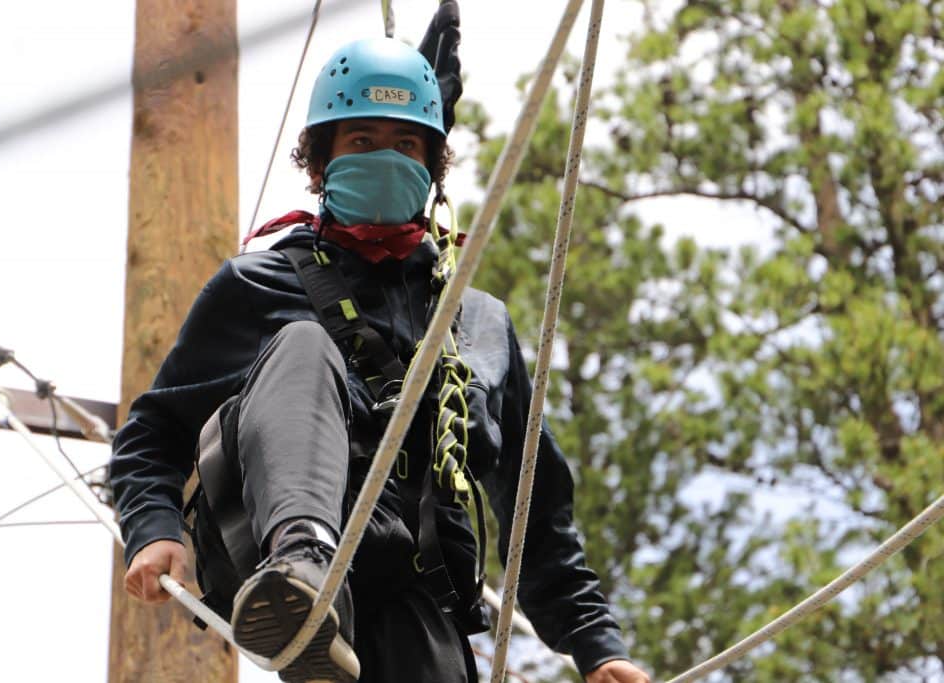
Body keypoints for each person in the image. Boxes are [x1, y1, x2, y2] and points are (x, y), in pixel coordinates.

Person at [110, 25, 651, 683]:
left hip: (416, 586)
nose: (385, 157)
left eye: (405, 144)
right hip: (280, 552)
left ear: (430, 166)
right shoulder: (259, 286)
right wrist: (154, 527)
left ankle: (331, 620)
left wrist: (598, 645)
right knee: (305, 344)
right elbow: (154, 432)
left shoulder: (474, 323)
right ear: (320, 163)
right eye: (362, 141)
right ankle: (304, 576)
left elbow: (534, 507)